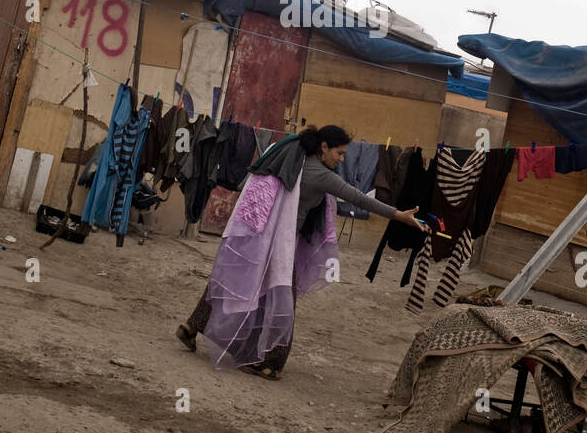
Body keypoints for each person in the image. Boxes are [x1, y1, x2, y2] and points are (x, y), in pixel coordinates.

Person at [176, 124, 426, 380]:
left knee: (233, 280)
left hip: (258, 234)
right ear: (324, 147)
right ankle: (270, 362)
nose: (341, 160)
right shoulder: (321, 174)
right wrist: (399, 216)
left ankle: (191, 326)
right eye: (339, 153)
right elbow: (358, 198)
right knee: (284, 296)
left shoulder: (292, 154)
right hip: (279, 243)